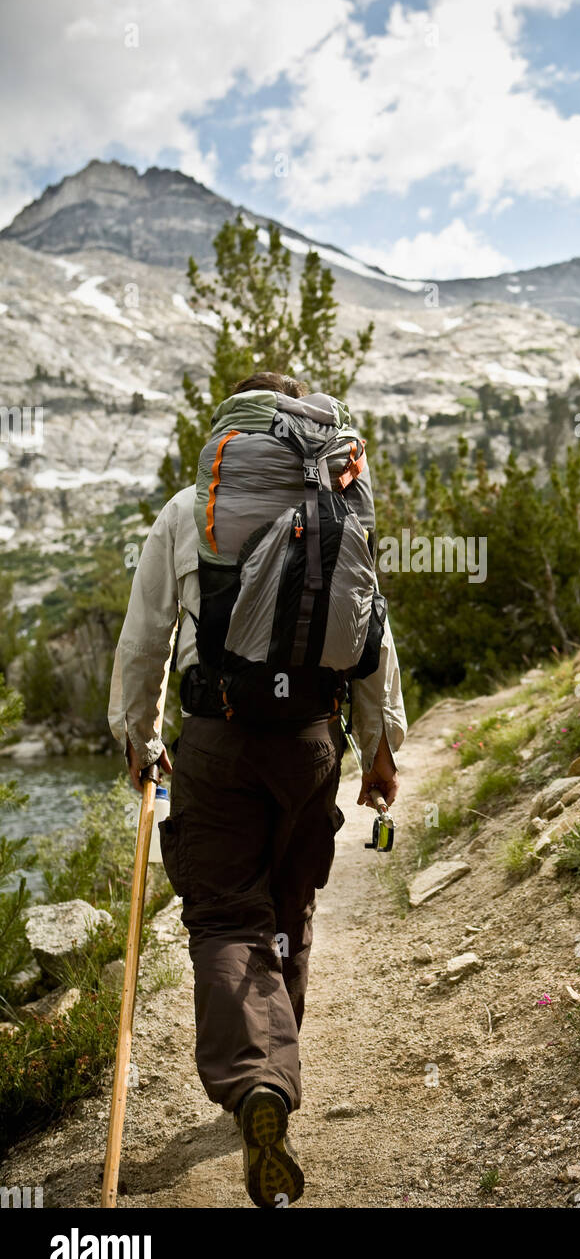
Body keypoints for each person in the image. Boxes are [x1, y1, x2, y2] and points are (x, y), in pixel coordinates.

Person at [108, 372, 406, 1208]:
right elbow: (374, 638)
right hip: (312, 742)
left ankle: (254, 1084)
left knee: (226, 914)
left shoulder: (189, 512)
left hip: (218, 743)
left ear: (232, 434)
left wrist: (139, 738)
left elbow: (144, 643)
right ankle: (275, 1070)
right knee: (288, 909)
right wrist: (382, 751)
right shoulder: (341, 510)